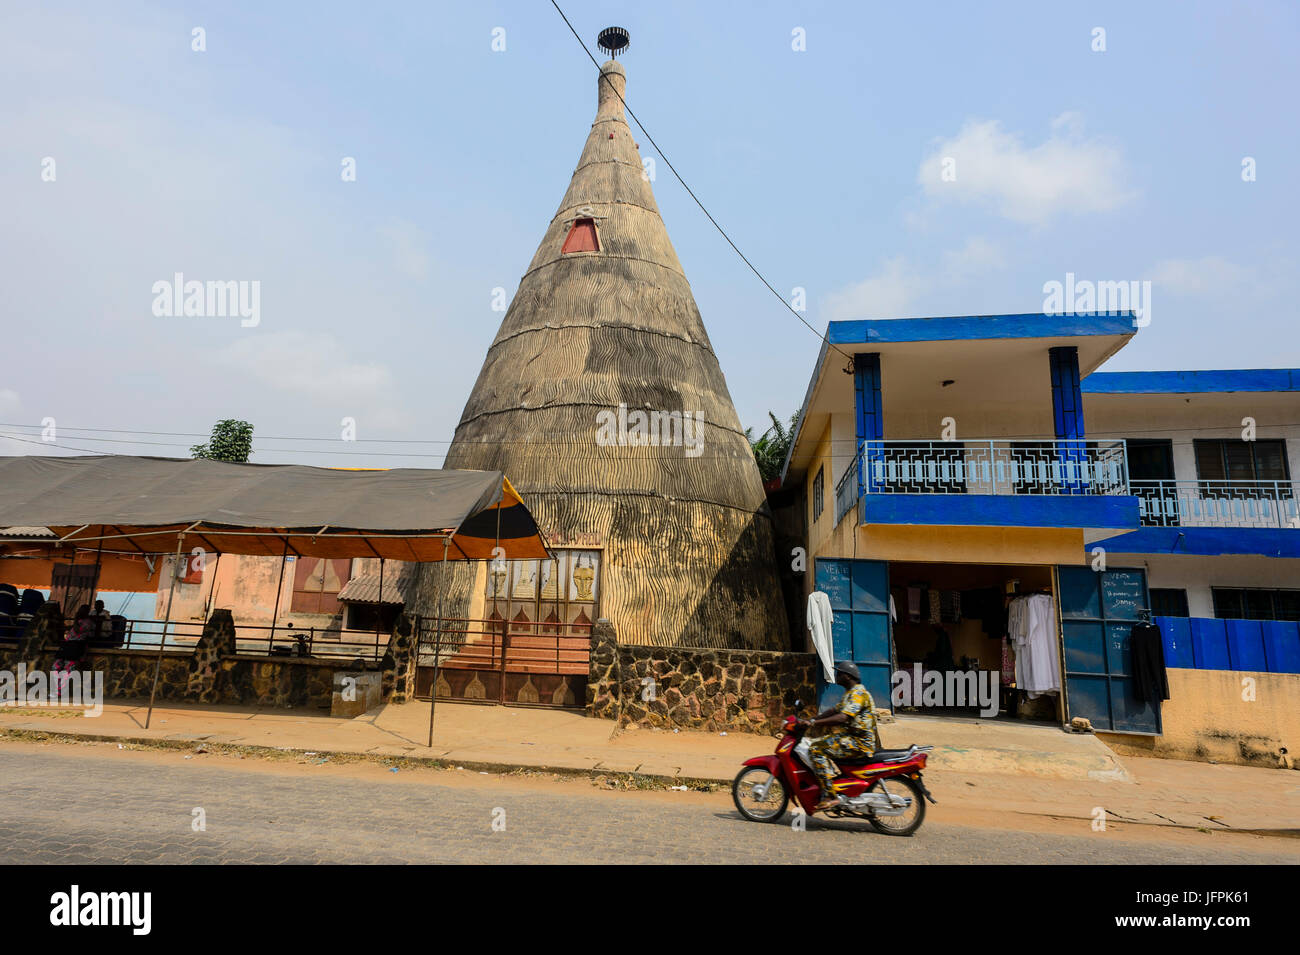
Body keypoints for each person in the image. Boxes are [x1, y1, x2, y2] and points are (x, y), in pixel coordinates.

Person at [801, 660, 879, 811]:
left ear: (848, 677)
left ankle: (830, 795)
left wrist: (815, 724)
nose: (837, 675)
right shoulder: (850, 693)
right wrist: (811, 720)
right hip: (851, 739)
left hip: (859, 743)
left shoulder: (858, 693)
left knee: (816, 749)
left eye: (840, 673)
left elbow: (843, 717)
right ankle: (831, 781)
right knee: (819, 742)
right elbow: (833, 711)